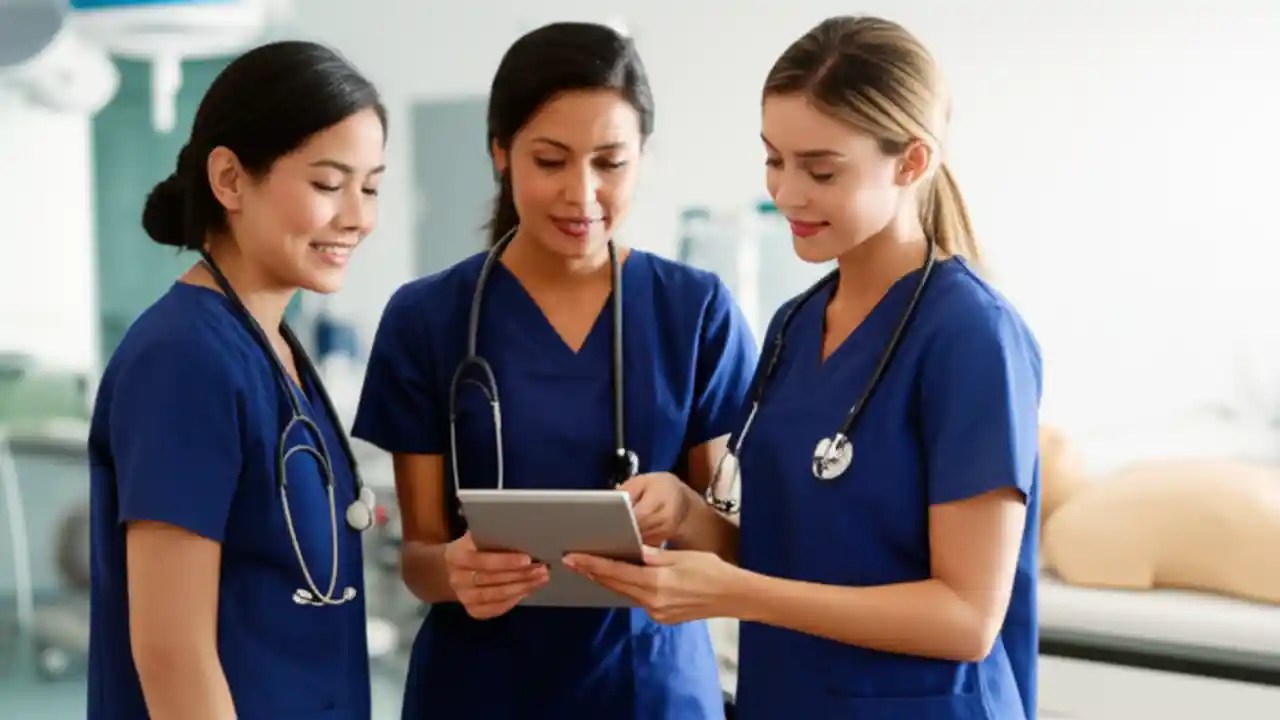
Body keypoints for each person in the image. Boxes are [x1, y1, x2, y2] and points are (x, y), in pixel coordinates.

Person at [565, 15, 1044, 720]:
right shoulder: (795, 325)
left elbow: (966, 618)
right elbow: (789, 549)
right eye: (773, 160)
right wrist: (688, 513)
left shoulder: (969, 336)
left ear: (912, 162)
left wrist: (736, 594)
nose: (786, 193)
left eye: (820, 170)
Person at [351, 21, 756, 720]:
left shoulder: (694, 312)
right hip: (478, 690)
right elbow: (420, 556)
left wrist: (685, 511)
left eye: (610, 162)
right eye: (551, 160)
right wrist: (455, 570)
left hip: (651, 689)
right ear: (500, 153)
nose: (583, 193)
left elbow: (733, 549)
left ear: (644, 158)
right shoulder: (427, 318)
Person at [86, 41, 387, 720]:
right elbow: (172, 651)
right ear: (229, 180)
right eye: (328, 183)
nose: (358, 216)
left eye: (369, 186)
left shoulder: (276, 349)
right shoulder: (184, 359)